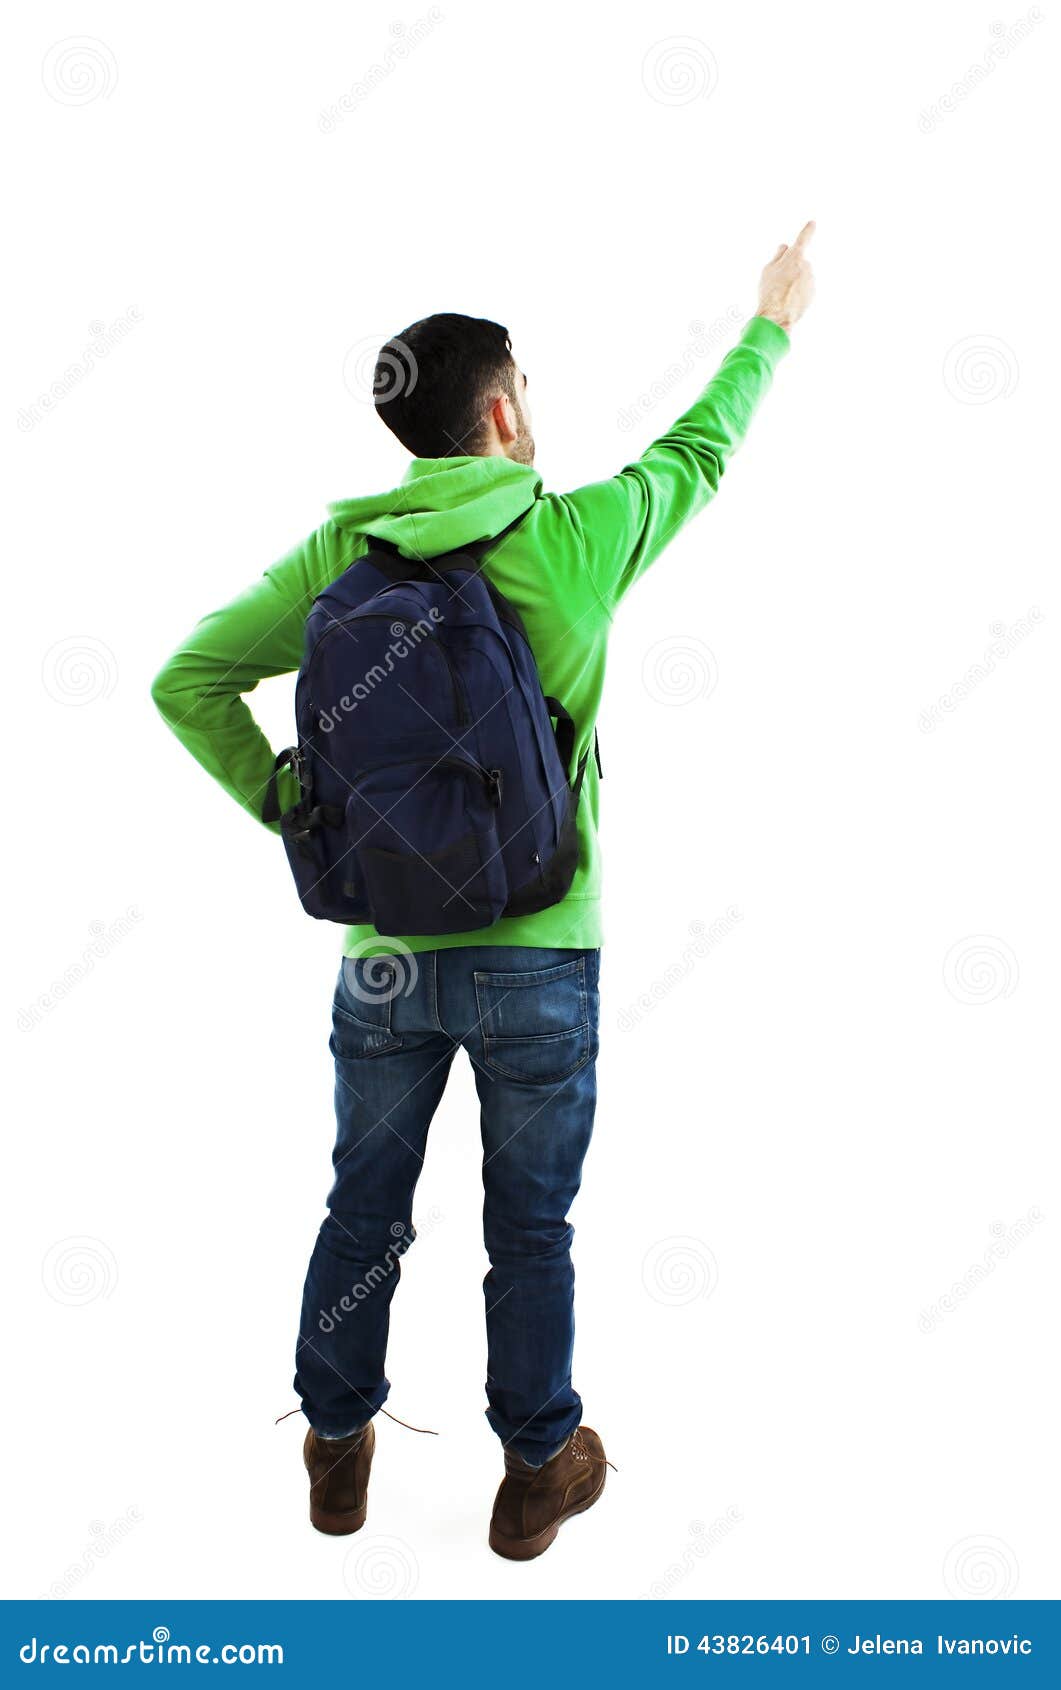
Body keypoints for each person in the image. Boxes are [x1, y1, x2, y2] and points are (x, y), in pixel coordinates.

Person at [151, 223, 815, 1560]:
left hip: (386, 958)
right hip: (539, 953)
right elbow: (697, 452)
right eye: (530, 389)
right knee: (529, 1226)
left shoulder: (343, 555)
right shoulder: (574, 539)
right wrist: (769, 324)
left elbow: (189, 678)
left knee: (363, 1208)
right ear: (503, 410)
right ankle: (535, 1468)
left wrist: (296, 808)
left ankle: (336, 1440)